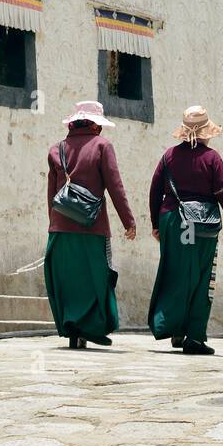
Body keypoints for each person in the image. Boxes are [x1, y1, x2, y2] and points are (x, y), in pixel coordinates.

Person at [148, 104, 223, 355]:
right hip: (200, 227)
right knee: (201, 278)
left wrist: (156, 224)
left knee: (177, 274)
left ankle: (175, 328)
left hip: (174, 222)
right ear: (205, 133)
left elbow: (155, 190)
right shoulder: (212, 159)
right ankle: (195, 337)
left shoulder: (168, 156)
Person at [44, 100, 136, 348]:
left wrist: (54, 224)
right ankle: (91, 328)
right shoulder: (102, 147)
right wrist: (128, 221)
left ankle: (74, 330)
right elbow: (115, 187)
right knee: (96, 277)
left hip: (61, 229)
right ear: (96, 125)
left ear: (74, 122)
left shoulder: (56, 149)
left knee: (69, 279)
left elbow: (52, 194)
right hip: (92, 227)